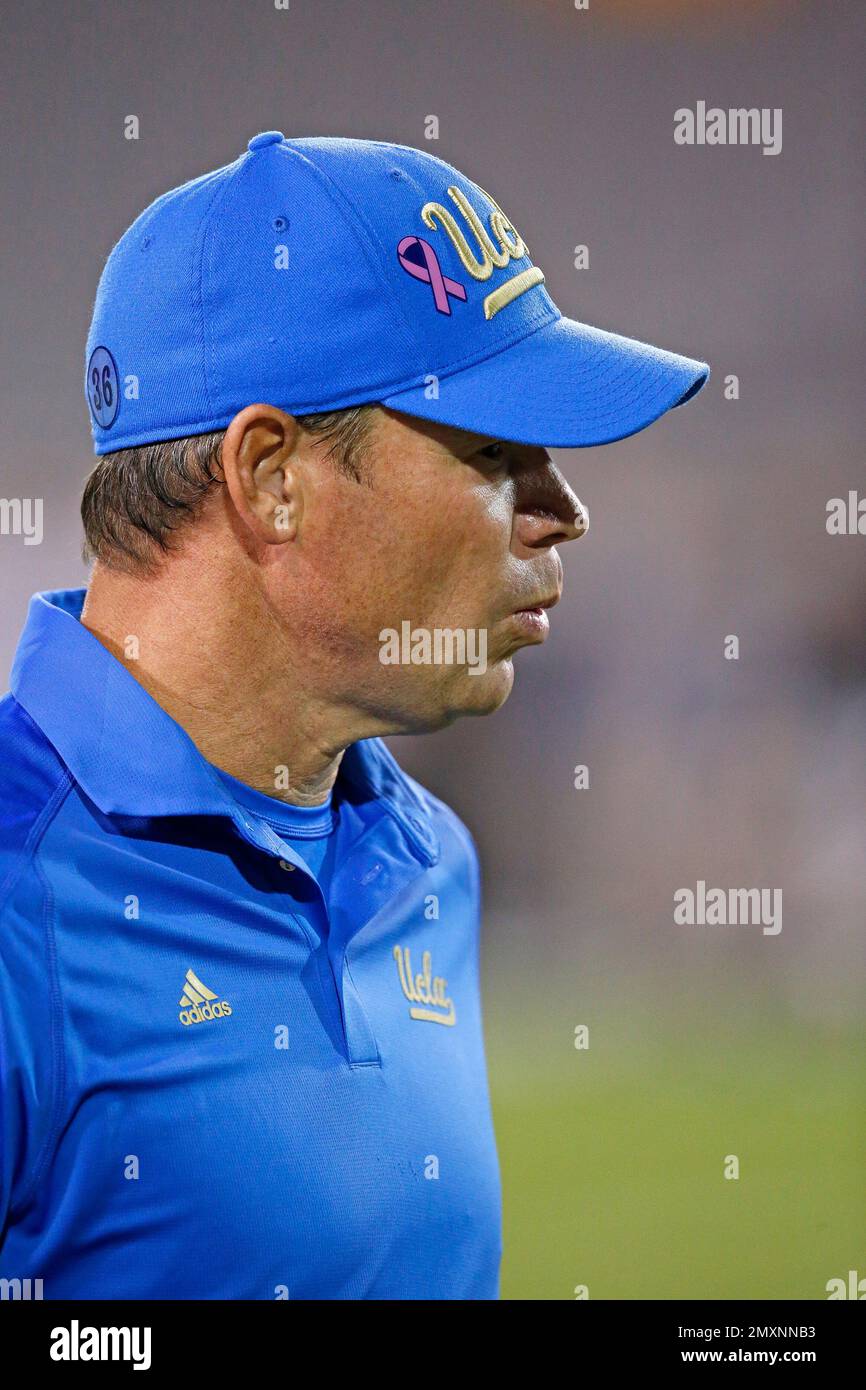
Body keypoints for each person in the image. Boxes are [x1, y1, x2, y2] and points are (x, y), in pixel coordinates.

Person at [0, 132, 708, 1299]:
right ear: (271, 475)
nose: (563, 511)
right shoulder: (23, 900)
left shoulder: (426, 863)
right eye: (490, 451)